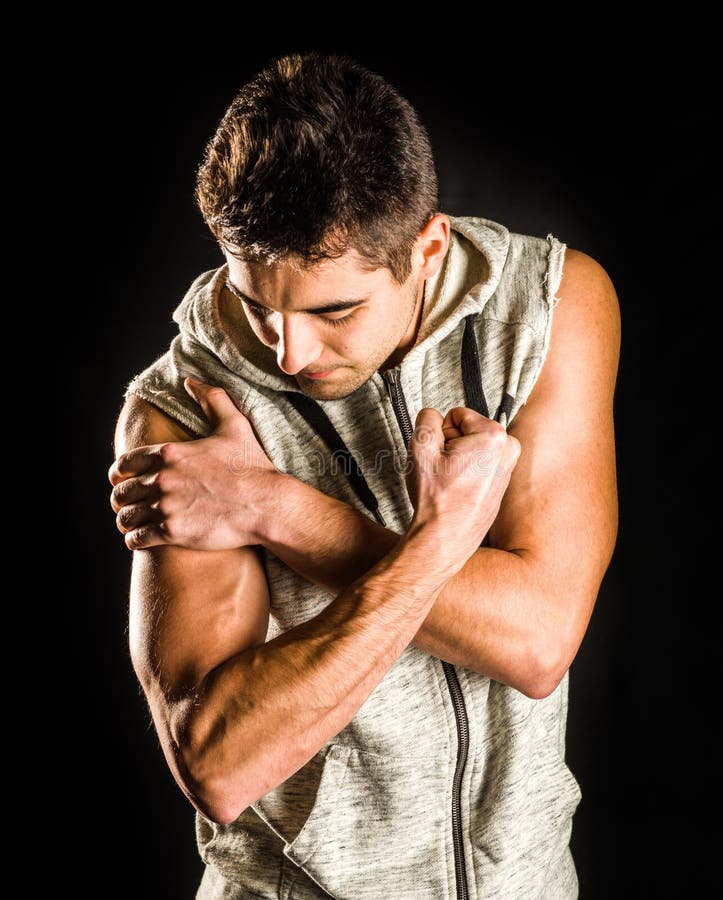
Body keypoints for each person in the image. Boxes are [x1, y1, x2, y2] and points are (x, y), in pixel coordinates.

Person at [109, 53, 619, 899]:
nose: (287, 351)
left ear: (427, 248)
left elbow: (537, 643)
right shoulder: (183, 412)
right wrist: (441, 541)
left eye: (332, 310)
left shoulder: (550, 308)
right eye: (256, 302)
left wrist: (275, 509)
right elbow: (221, 765)